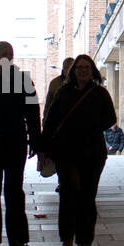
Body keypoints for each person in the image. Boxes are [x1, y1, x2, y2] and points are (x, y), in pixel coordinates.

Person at [40, 54, 116, 246]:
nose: (83, 71)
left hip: (93, 152)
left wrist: (90, 126)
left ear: (92, 71)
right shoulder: (64, 93)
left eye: (86, 68)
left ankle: (84, 237)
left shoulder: (100, 93)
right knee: (68, 191)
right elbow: (51, 120)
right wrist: (45, 147)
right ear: (73, 71)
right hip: (67, 151)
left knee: (87, 195)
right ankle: (66, 236)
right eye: (79, 67)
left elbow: (109, 118)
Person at [0, 41, 41, 246]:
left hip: (13, 142)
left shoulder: (21, 81)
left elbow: (33, 113)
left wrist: (36, 141)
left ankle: (17, 239)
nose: (6, 57)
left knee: (14, 191)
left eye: (8, 54)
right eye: (2, 54)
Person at [42, 58, 74, 192]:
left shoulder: (80, 83)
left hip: (76, 129)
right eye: (67, 66)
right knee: (61, 158)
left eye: (71, 66)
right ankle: (63, 181)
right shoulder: (55, 83)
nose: (68, 69)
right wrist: (45, 123)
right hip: (59, 129)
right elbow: (48, 105)